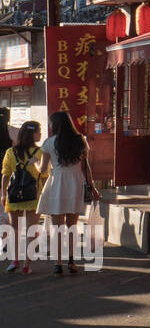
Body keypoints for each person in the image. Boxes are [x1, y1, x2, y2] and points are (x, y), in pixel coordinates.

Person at [34, 111, 99, 275]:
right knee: (72, 225)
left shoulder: (49, 142)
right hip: (76, 183)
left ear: (55, 125)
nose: (49, 125)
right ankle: (71, 261)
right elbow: (86, 166)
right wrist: (93, 187)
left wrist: (34, 162)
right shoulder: (80, 140)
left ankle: (58, 264)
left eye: (50, 123)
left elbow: (43, 169)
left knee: (57, 227)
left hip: (57, 184)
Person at [4, 121, 41, 273]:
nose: (40, 134)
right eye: (39, 131)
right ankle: (26, 265)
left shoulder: (10, 152)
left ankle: (14, 261)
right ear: (33, 134)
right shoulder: (40, 153)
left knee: (15, 229)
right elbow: (44, 175)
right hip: (34, 196)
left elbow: (5, 175)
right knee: (31, 230)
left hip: (14, 195)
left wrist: (2, 194)